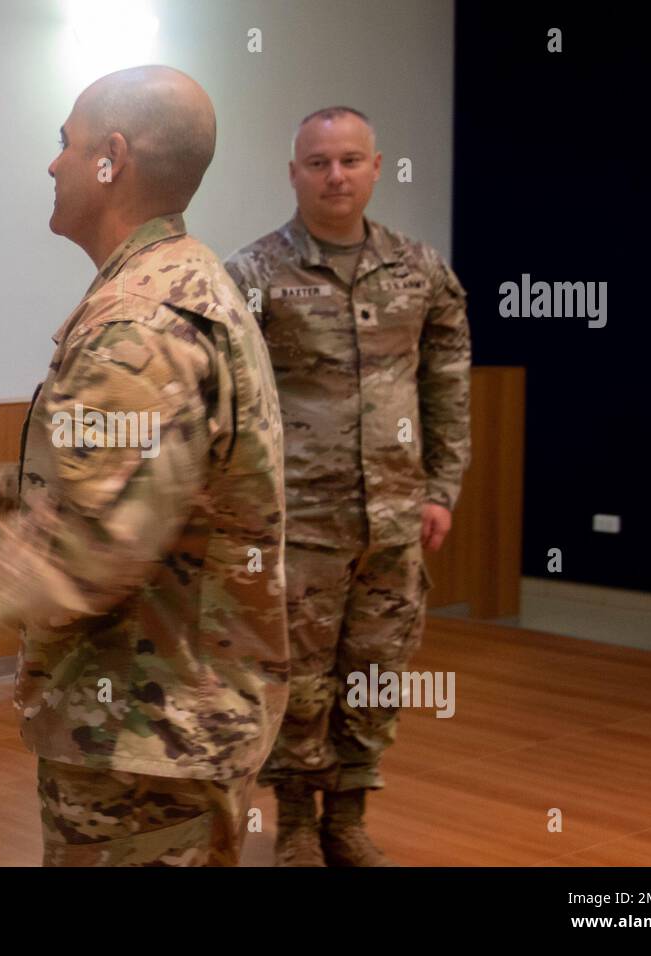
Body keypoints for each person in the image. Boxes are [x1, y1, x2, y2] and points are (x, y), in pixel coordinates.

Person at [0, 67, 288, 867]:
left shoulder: (136, 323)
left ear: (111, 158)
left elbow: (90, 553)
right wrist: (0, 486)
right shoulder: (184, 280)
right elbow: (162, 480)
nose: (54, 165)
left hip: (143, 735)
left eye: (66, 144)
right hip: (182, 719)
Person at [223, 106, 471, 866]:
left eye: (351, 160)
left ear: (376, 167)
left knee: (376, 668)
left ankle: (350, 816)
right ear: (293, 171)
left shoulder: (420, 269)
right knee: (298, 677)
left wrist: (441, 488)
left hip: (393, 519)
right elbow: (230, 398)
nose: (336, 175)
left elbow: (448, 381)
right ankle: (297, 820)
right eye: (319, 161)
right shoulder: (254, 274)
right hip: (296, 518)